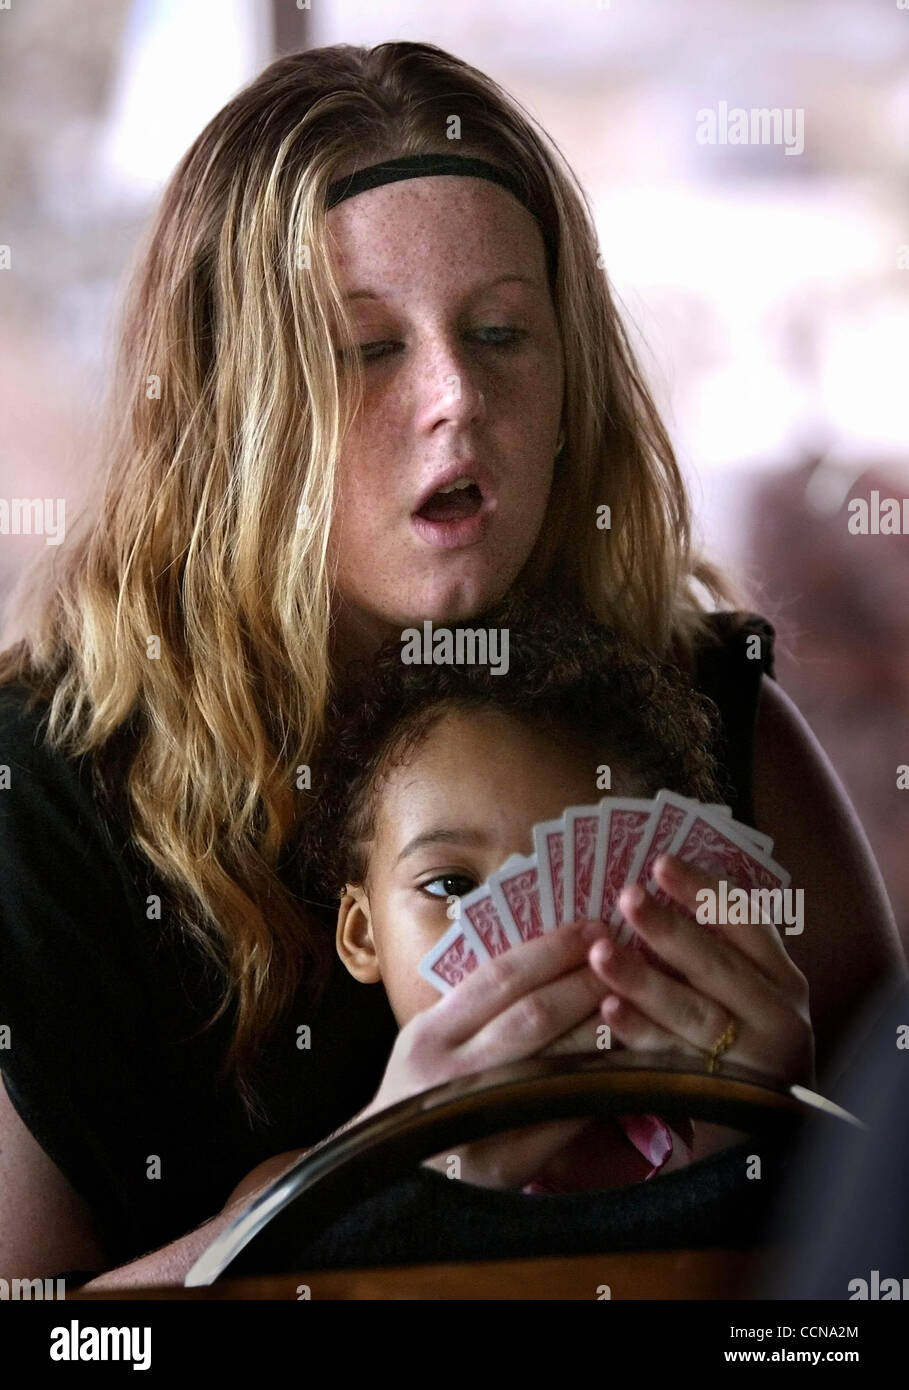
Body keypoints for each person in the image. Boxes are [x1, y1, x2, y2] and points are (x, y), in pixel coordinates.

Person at [0, 41, 902, 1291]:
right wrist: (374, 1181)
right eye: (368, 348)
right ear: (234, 405)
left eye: (500, 332)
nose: (455, 397)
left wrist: (787, 1137)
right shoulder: (43, 794)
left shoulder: (709, 711)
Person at [300, 592, 809, 1195]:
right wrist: (395, 1175)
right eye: (451, 886)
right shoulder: (302, 1202)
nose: (528, 937)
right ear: (361, 934)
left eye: (582, 892)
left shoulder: (728, 1155)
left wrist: (759, 1146)